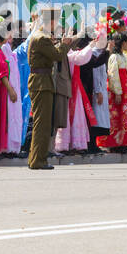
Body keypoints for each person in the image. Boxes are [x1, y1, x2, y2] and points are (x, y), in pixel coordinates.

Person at [25, 10, 76, 169]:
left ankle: (35, 159)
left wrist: (60, 44)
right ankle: (38, 161)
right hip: (42, 83)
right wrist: (65, 44)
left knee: (42, 123)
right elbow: (57, 56)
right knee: (43, 124)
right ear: (51, 22)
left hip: (41, 81)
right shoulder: (42, 39)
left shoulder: (40, 37)